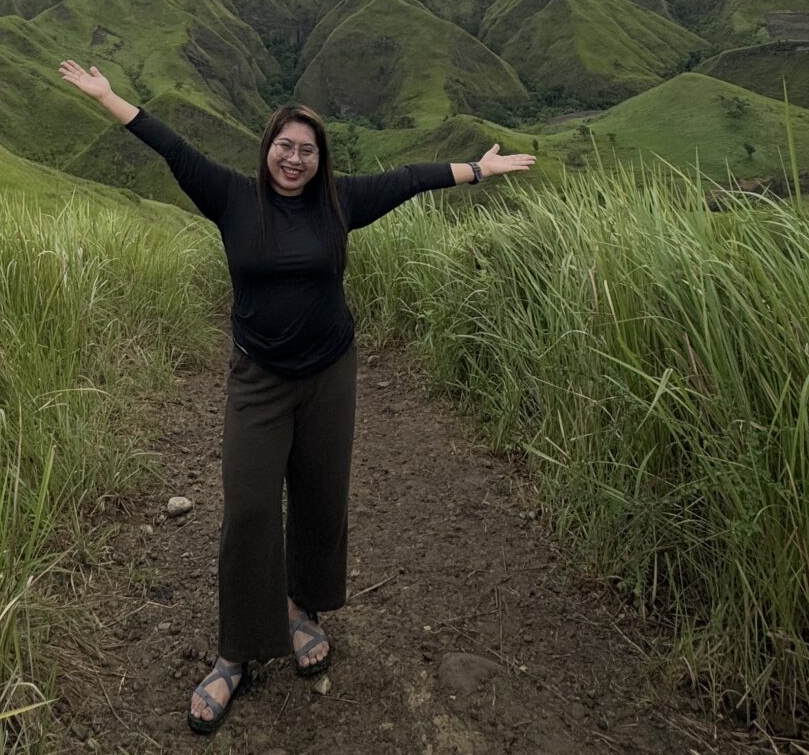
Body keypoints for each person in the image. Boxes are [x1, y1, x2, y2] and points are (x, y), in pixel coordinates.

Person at [57, 60, 535, 734]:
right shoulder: (229, 197)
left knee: (320, 493)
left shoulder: (339, 201)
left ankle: (301, 609)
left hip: (330, 374)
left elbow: (409, 181)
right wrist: (109, 98)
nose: (295, 158)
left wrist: (478, 170)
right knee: (249, 509)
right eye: (285, 146)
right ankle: (235, 654)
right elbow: (168, 145)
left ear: (320, 160)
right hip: (258, 378)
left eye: (307, 151)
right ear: (267, 149)